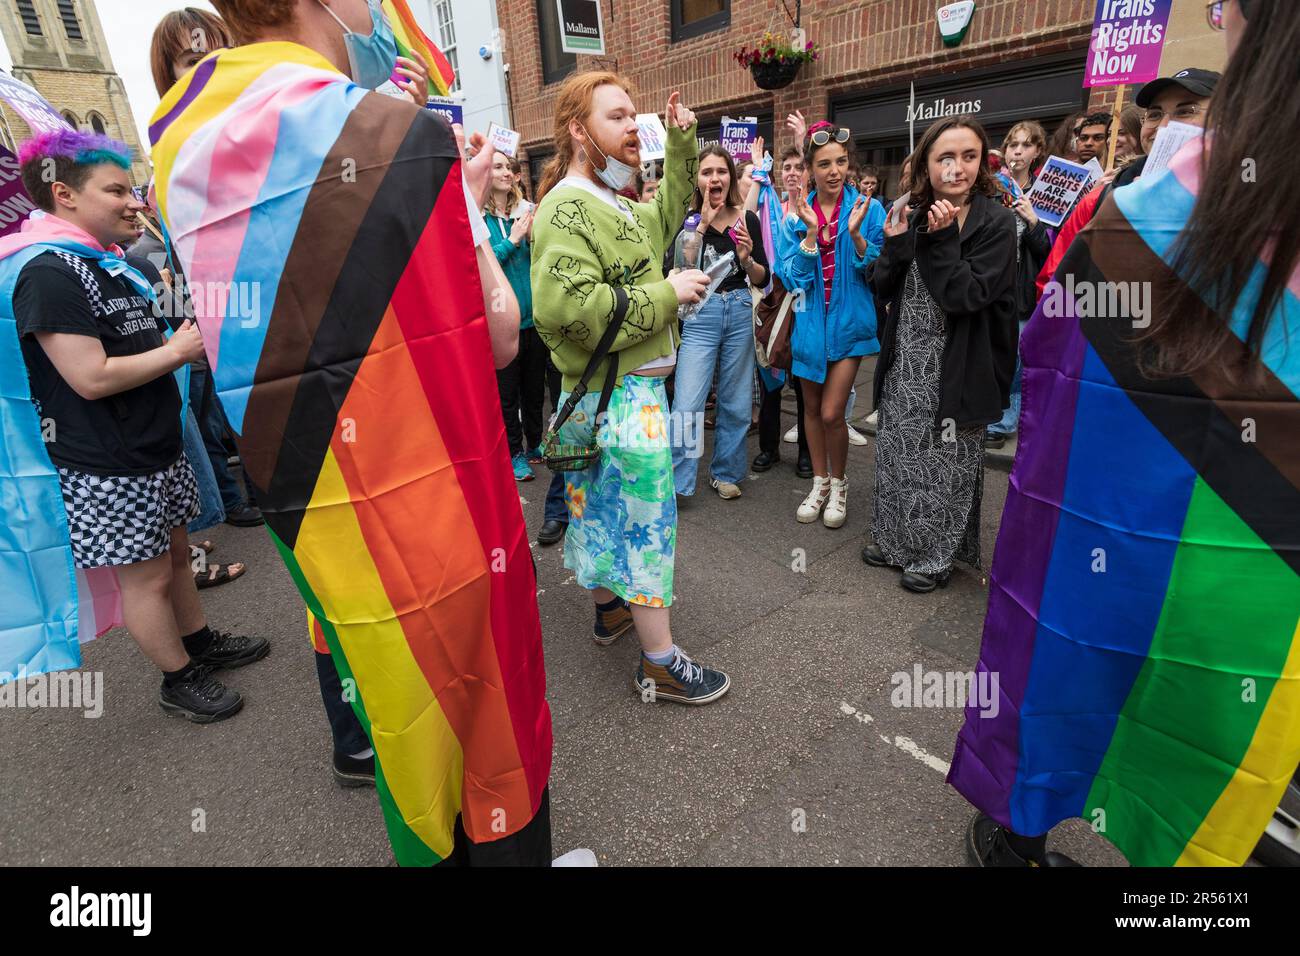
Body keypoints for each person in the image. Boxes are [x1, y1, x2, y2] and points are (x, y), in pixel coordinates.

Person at [152, 0, 553, 866]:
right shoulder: (393, 135)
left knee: (396, 706)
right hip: (444, 492)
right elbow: (497, 336)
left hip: (321, 512)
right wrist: (467, 205)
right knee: (489, 709)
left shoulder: (182, 150)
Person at [953, 0, 1300, 867]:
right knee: (1221, 749)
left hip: (1115, 537)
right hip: (1261, 601)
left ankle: (1022, 833)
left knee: (1069, 658)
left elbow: (1056, 339)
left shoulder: (1164, 199)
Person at [6, 130, 271, 722]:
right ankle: (178, 679)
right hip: (107, 461)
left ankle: (199, 643)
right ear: (63, 195)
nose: (135, 201)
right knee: (146, 579)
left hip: (156, 446)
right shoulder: (47, 273)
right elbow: (90, 376)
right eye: (117, 189)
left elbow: (153, 333)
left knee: (176, 556)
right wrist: (179, 351)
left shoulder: (109, 264)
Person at [530, 71, 731, 706]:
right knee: (648, 522)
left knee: (596, 514)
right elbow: (569, 313)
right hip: (622, 400)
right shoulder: (567, 205)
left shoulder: (609, 200)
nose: (630, 129)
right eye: (616, 117)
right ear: (578, 131)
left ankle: (611, 613)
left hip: (609, 400)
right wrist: (667, 293)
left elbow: (668, 211)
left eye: (632, 116)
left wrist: (679, 143)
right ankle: (660, 663)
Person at [861, 116, 1017, 593]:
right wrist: (890, 247)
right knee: (898, 453)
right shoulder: (912, 211)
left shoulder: (996, 221)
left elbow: (966, 296)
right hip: (909, 353)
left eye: (968, 156)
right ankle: (892, 541)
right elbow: (883, 287)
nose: (957, 168)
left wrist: (944, 239)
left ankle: (933, 557)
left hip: (960, 361)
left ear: (981, 161)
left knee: (946, 464)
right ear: (926, 165)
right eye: (944, 158)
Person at [147, 8, 267, 530]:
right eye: (193, 60)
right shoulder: (171, 166)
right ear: (166, 75)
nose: (212, 69)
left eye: (223, 55)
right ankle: (246, 496)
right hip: (228, 324)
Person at [1034, 69, 1219, 298]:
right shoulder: (1102, 199)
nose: (1163, 126)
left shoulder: (1250, 200)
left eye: (1185, 111)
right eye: (1154, 114)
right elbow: (1054, 286)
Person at [783, 123, 885, 528]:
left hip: (849, 327)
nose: (834, 171)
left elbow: (878, 269)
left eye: (841, 162)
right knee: (809, 409)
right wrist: (810, 234)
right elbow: (790, 277)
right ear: (810, 168)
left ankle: (839, 485)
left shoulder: (868, 209)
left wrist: (857, 236)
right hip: (809, 326)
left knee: (830, 413)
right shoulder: (797, 215)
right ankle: (820, 483)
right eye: (824, 163)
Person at [669, 146, 767, 499]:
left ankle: (725, 472)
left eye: (721, 171)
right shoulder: (690, 220)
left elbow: (760, 276)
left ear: (730, 177)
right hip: (701, 312)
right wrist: (705, 223)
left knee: (736, 400)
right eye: (707, 172)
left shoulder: (747, 218)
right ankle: (678, 482)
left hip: (739, 307)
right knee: (687, 403)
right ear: (698, 180)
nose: (715, 178)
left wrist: (745, 257)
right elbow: (679, 269)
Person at [746, 142, 811, 477]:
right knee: (770, 381)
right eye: (787, 168)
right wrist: (759, 172)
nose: (792, 173)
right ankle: (769, 449)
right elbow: (746, 218)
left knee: (803, 386)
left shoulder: (814, 210)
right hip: (773, 304)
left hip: (804, 307)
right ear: (779, 174)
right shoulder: (770, 206)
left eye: (799, 167)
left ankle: (806, 453)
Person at [985, 120, 1051, 447]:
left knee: (1016, 357)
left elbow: (1050, 252)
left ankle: (1004, 422)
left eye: (1026, 145)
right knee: (990, 353)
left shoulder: (1045, 193)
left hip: (1022, 292)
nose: (1018, 151)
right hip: (991, 288)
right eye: (1013, 145)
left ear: (1037, 151)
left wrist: (1034, 220)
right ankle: (984, 412)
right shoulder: (995, 188)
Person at [484, 153, 544, 482]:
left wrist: (535, 237)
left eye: (508, 167)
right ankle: (514, 452)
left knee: (534, 390)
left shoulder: (527, 212)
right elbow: (484, 264)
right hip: (502, 323)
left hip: (534, 318)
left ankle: (535, 444)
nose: (506, 172)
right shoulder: (479, 219)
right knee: (509, 396)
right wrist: (512, 240)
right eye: (498, 167)